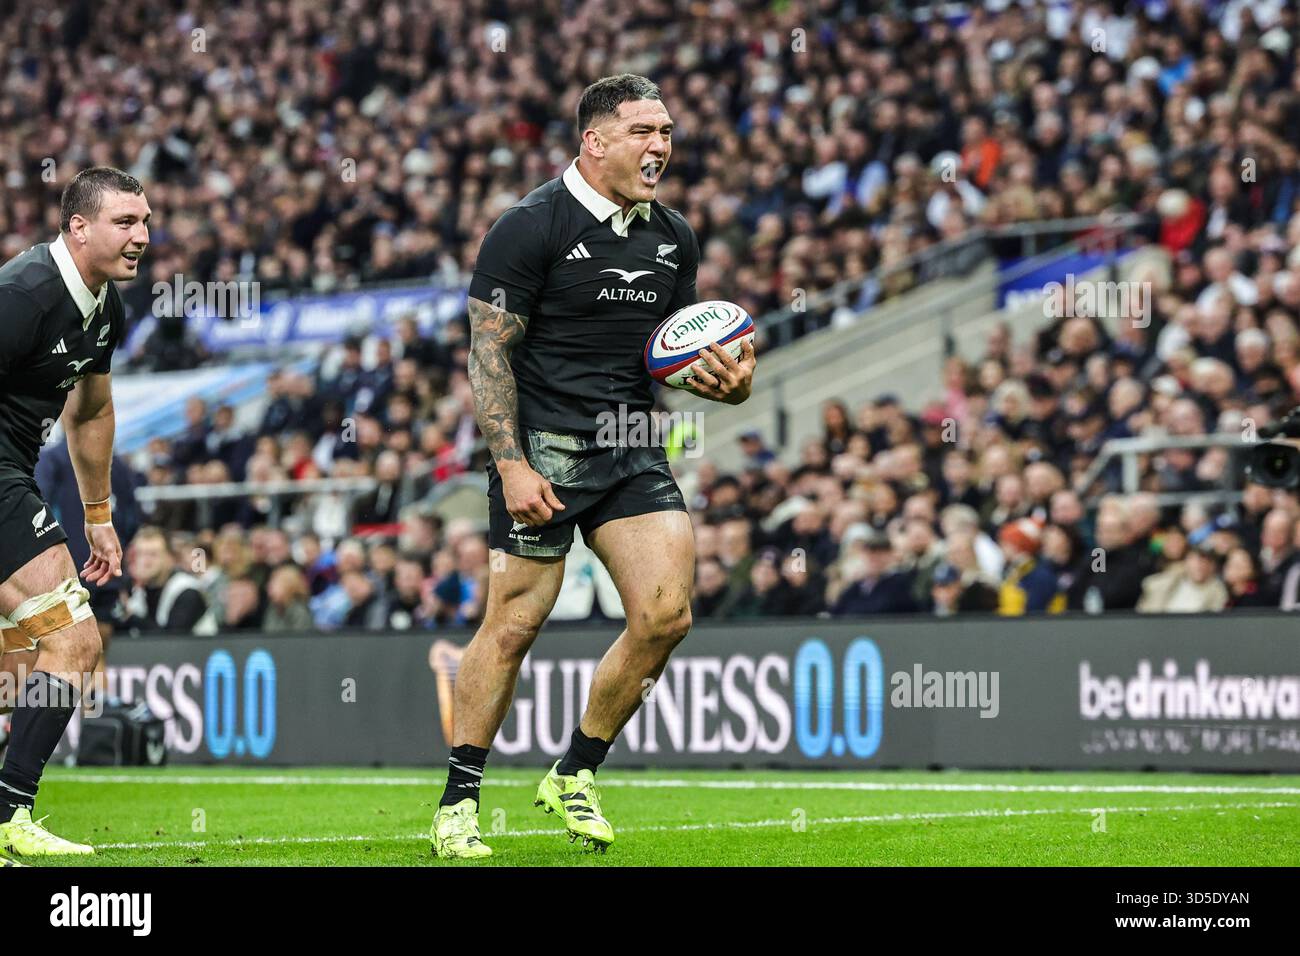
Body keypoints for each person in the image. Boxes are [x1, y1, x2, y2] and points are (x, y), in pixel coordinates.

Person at [431, 74, 756, 859]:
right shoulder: (528, 226)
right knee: (514, 625)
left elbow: (672, 357)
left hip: (631, 447)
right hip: (540, 452)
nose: (660, 147)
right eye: (643, 131)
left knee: (667, 615)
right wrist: (508, 465)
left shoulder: (674, 236)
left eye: (668, 131)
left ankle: (574, 771)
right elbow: (488, 355)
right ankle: (459, 801)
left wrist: (733, 385)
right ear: (594, 140)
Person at [0, 167, 145, 857]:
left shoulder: (105, 308)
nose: (141, 235)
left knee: (22, 668)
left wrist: (98, 513)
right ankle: (10, 817)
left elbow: (91, 410)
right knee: (76, 641)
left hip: (12, 475)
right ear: (77, 226)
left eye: (145, 222)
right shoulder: (24, 294)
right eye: (125, 222)